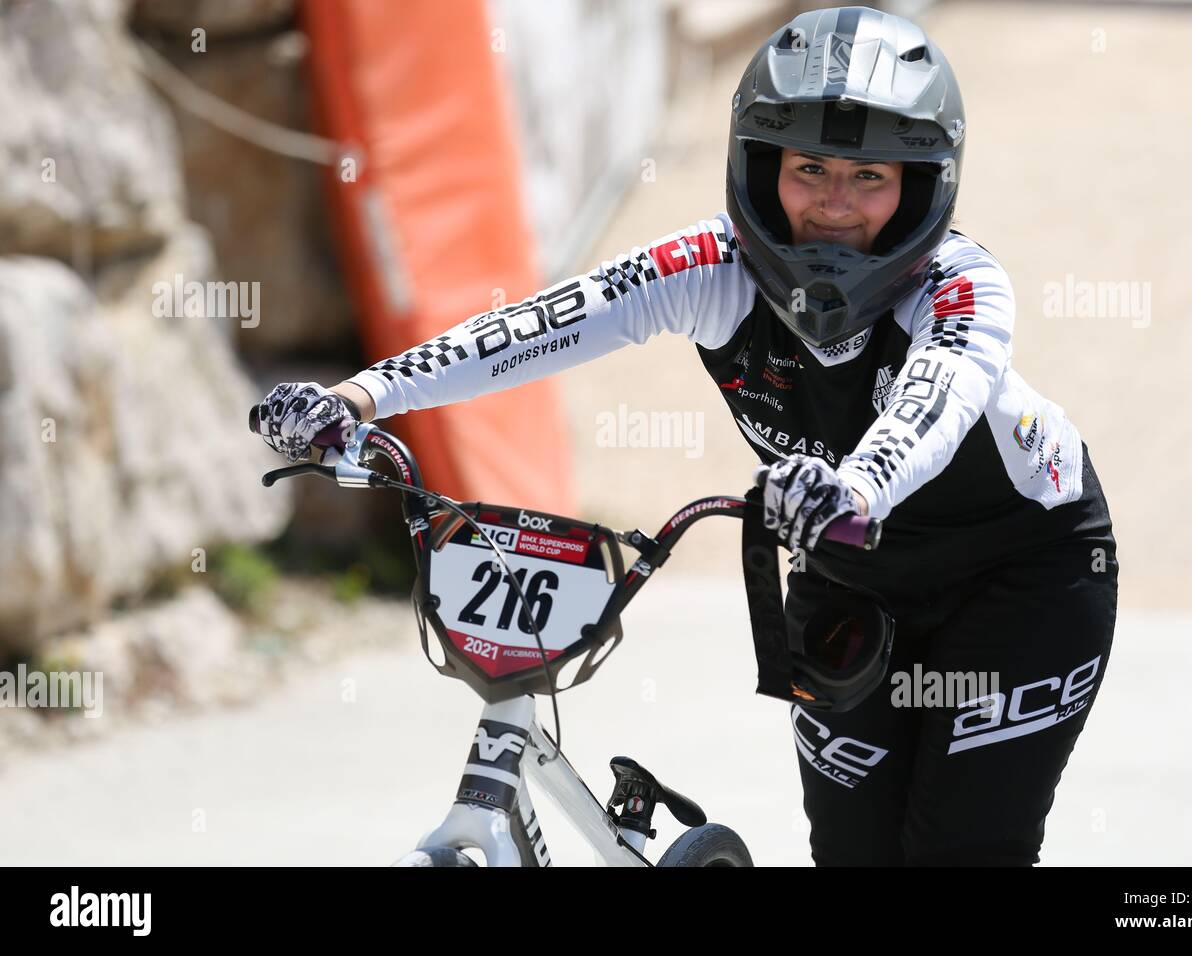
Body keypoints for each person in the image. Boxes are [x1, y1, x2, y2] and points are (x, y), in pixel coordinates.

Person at [252, 6, 1118, 866]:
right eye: (810, 167)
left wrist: (853, 489)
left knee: (959, 849)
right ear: (760, 164)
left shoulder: (964, 284)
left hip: (1020, 576)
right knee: (853, 854)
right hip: (852, 570)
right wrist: (363, 396)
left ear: (921, 186)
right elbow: (537, 327)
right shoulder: (711, 266)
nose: (834, 206)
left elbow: (929, 407)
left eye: (871, 178)